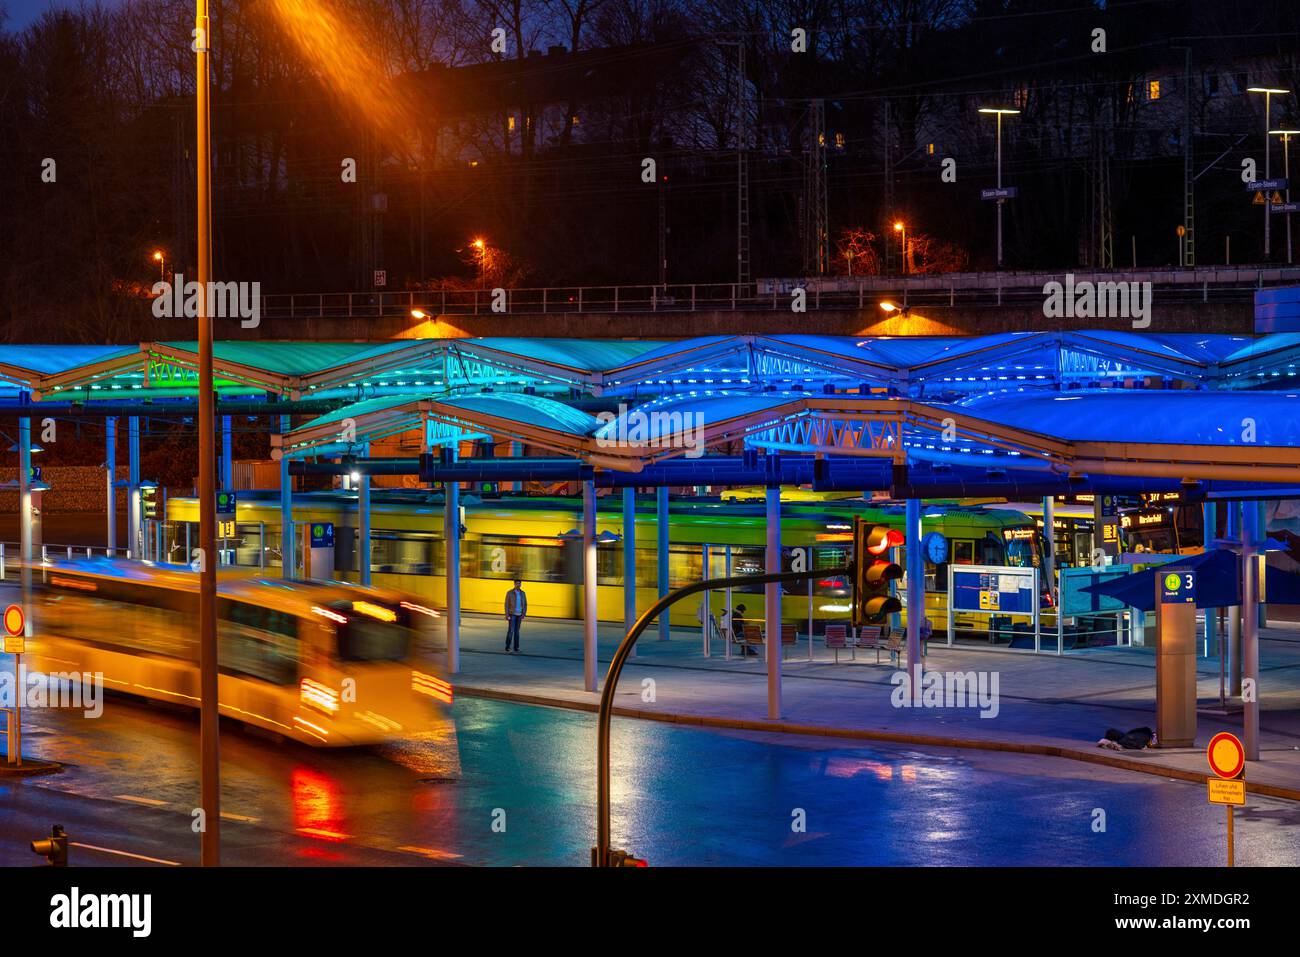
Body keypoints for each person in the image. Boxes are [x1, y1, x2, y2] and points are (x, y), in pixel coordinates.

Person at [504, 579, 527, 653]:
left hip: (519, 615)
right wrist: (507, 614)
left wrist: (524, 613)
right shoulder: (510, 593)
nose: (518, 585)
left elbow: (525, 604)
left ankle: (516, 647)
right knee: (511, 631)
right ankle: (507, 647)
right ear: (514, 584)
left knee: (517, 632)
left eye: (519, 584)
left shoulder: (523, 593)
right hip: (512, 614)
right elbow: (506, 604)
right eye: (517, 583)